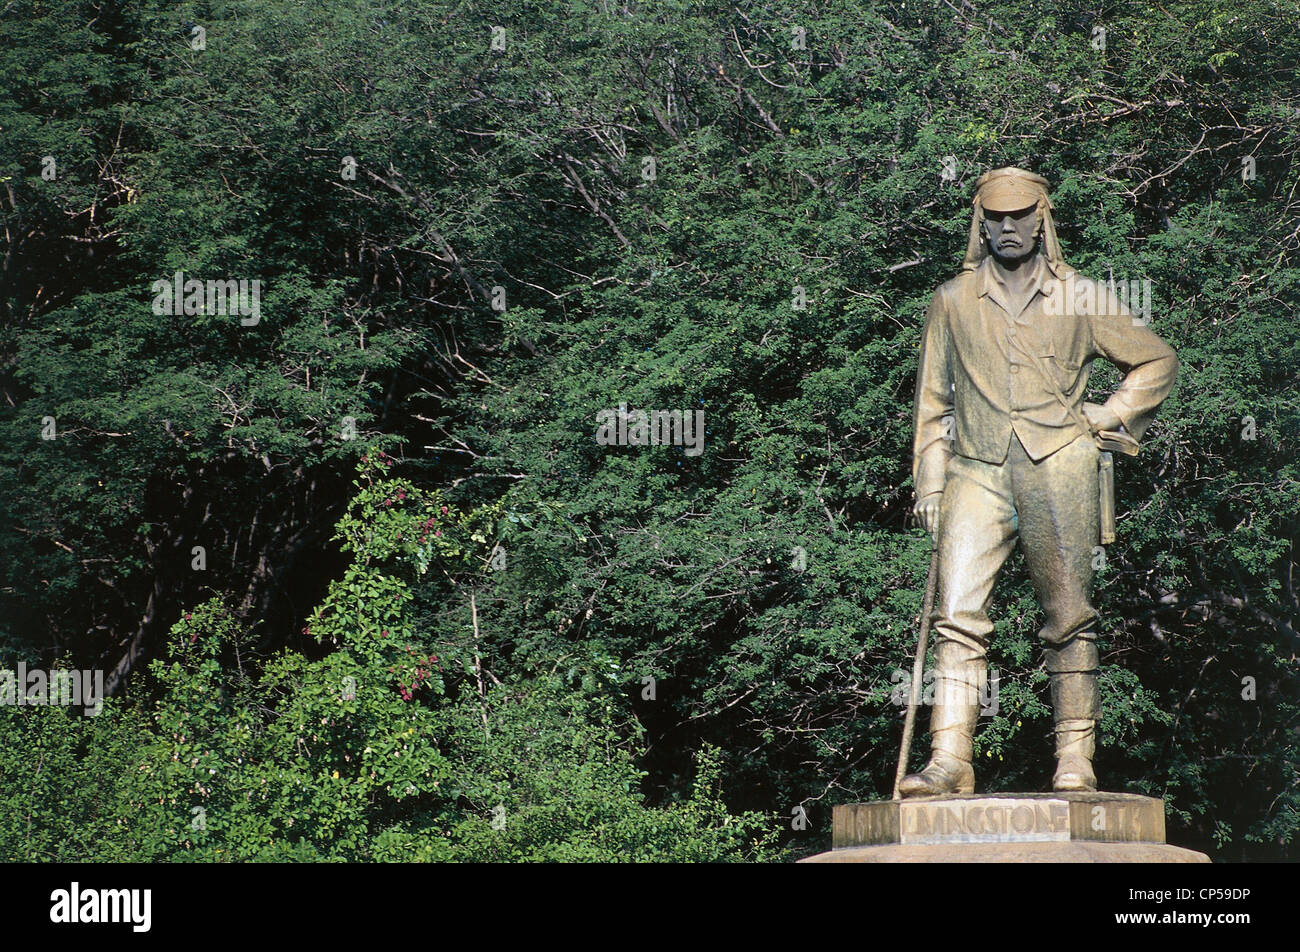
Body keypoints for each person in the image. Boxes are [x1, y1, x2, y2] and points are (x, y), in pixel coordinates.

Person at [902, 167, 1179, 796]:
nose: (1007, 226)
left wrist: (1110, 413)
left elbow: (1157, 358)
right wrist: (930, 484)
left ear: (1041, 218)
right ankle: (950, 761)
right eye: (995, 217)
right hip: (974, 469)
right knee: (956, 616)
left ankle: (1075, 759)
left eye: (1019, 215)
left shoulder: (1080, 296)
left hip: (1059, 464)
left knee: (1069, 615)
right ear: (980, 222)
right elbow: (932, 403)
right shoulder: (950, 300)